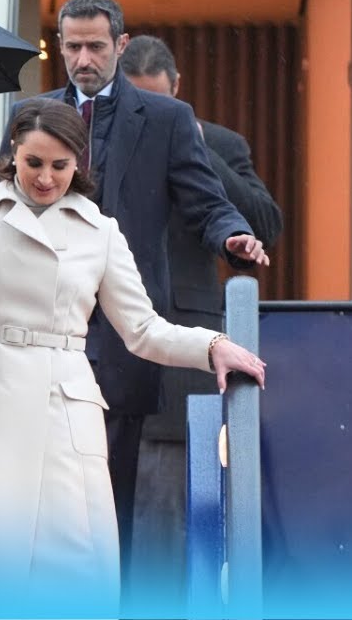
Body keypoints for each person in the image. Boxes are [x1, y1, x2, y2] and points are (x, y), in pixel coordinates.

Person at [0, 97, 267, 615]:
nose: (46, 178)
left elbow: (142, 330)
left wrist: (211, 346)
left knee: (74, 570)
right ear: (12, 154)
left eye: (59, 165)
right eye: (33, 163)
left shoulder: (100, 231)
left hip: (62, 411)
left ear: (79, 162)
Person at [0, 0, 270, 588]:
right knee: (29, 508)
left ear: (120, 45)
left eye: (96, 45)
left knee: (107, 507)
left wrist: (234, 240)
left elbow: (206, 202)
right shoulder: (30, 115)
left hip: (122, 340)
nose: (83, 58)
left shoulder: (167, 119)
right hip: (36, 338)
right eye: (72, 46)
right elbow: (0, 208)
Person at [119, 34, 283, 604]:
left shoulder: (219, 142)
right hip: (107, 350)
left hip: (184, 363)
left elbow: (265, 223)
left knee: (172, 520)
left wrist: (188, 142)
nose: (146, 113)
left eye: (158, 102)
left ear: (178, 93)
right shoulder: (91, 138)